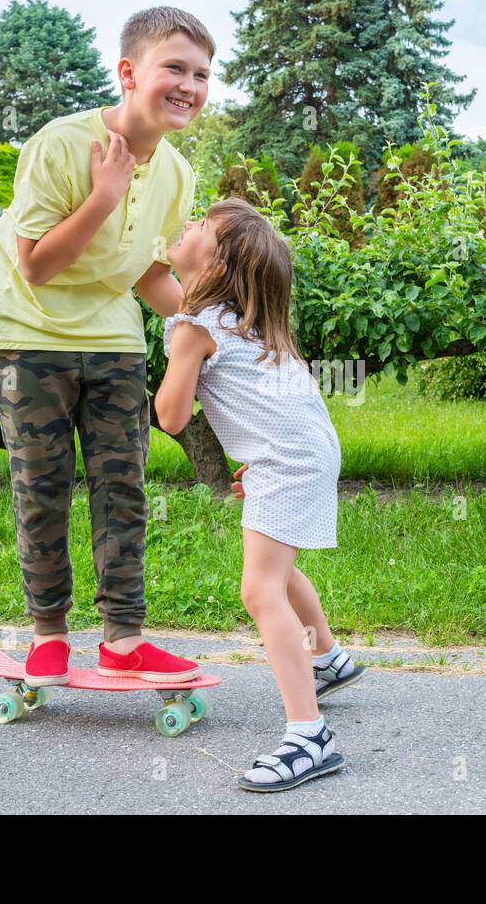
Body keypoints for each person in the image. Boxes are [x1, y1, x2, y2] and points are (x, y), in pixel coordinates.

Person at [0, 7, 216, 686]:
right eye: (175, 68)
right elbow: (37, 266)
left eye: (201, 74)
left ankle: (123, 640)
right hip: (28, 333)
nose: (190, 85)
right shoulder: (61, 144)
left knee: (124, 487)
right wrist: (104, 195)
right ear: (129, 72)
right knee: (44, 488)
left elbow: (148, 272)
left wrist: (211, 334)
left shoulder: (177, 173)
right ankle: (48, 635)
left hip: (111, 336)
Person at [155, 197, 366, 792]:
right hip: (305, 453)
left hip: (284, 460)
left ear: (218, 267)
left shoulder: (199, 330)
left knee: (259, 588)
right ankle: (325, 657)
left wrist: (177, 358)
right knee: (277, 560)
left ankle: (310, 736)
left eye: (199, 226)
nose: (187, 225)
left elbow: (170, 416)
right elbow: (159, 285)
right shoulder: (238, 320)